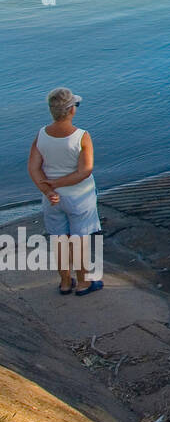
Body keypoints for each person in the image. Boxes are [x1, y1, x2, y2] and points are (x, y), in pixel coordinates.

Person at [27, 88, 102, 296]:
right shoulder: (81, 136)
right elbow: (85, 171)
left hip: (52, 199)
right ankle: (84, 283)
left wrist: (47, 188)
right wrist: (58, 183)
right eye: (75, 105)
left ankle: (65, 282)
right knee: (79, 239)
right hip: (79, 197)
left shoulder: (41, 135)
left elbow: (33, 168)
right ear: (70, 110)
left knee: (59, 239)